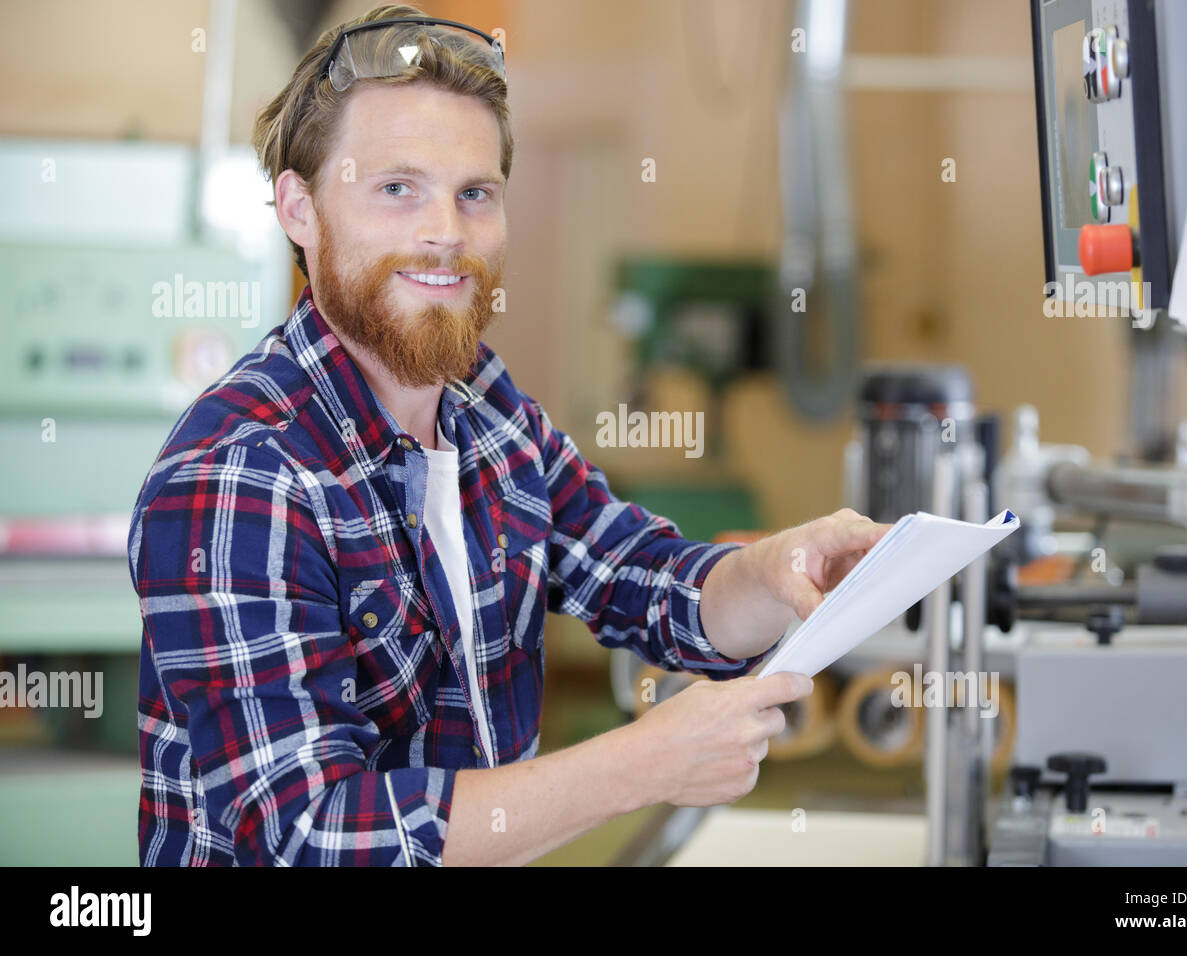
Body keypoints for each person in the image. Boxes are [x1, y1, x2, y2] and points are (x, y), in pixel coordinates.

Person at [128, 4, 889, 867]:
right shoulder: (241, 472)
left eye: (475, 194)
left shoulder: (483, 404)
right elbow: (312, 835)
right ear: (298, 207)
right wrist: (645, 764)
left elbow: (637, 575)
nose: (445, 233)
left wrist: (775, 568)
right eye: (396, 188)